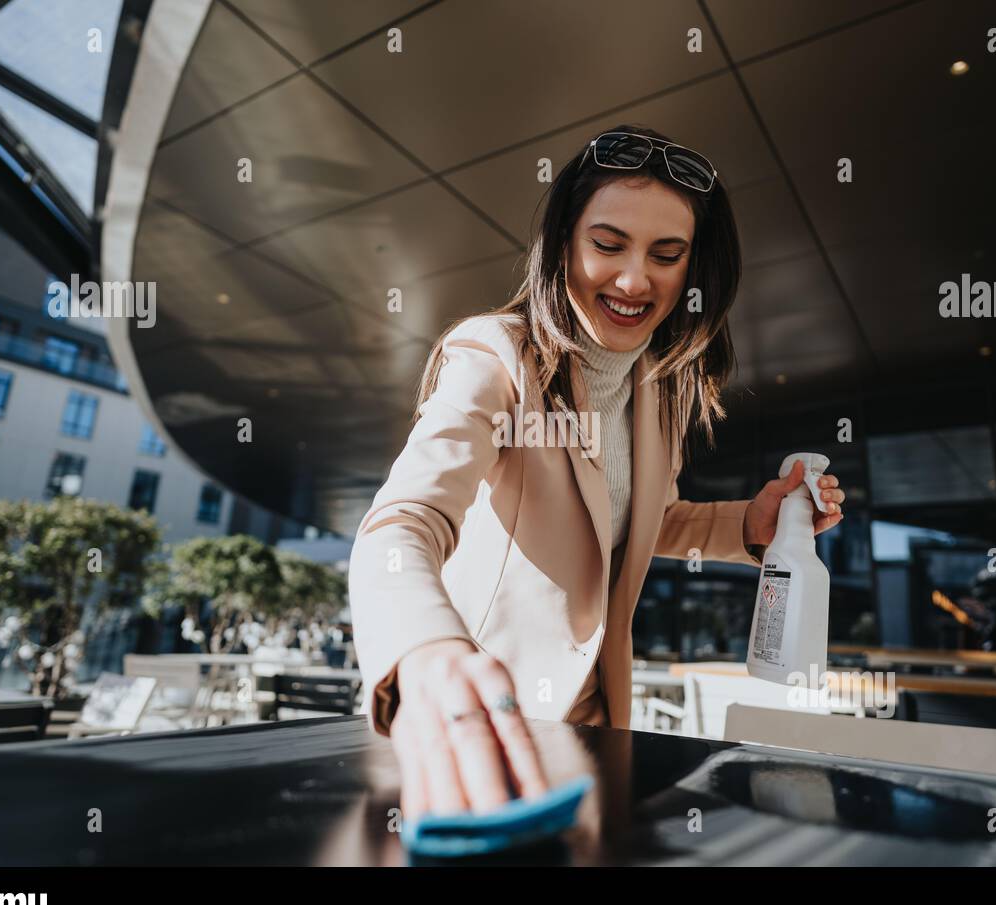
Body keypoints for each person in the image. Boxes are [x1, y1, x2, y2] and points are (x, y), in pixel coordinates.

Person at [348, 124, 847, 819]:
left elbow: (640, 520)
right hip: (473, 738)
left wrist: (748, 525)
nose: (635, 279)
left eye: (667, 255)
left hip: (593, 736)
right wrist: (428, 654)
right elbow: (403, 524)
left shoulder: (660, 385)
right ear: (562, 245)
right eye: (607, 244)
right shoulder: (494, 357)